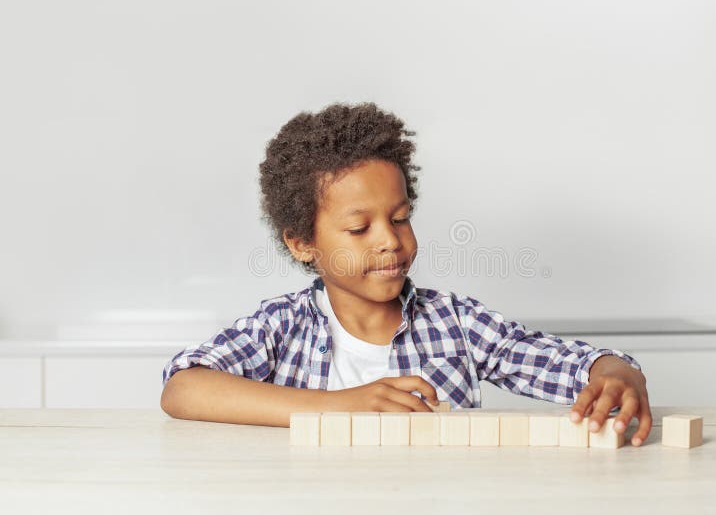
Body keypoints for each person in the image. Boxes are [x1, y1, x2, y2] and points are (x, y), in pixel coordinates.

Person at [160, 102, 652, 447]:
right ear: (302, 243)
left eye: (400, 218)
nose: (390, 241)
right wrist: (341, 406)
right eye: (358, 228)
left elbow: (574, 364)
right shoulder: (281, 326)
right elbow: (183, 388)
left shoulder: (455, 323)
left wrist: (614, 376)